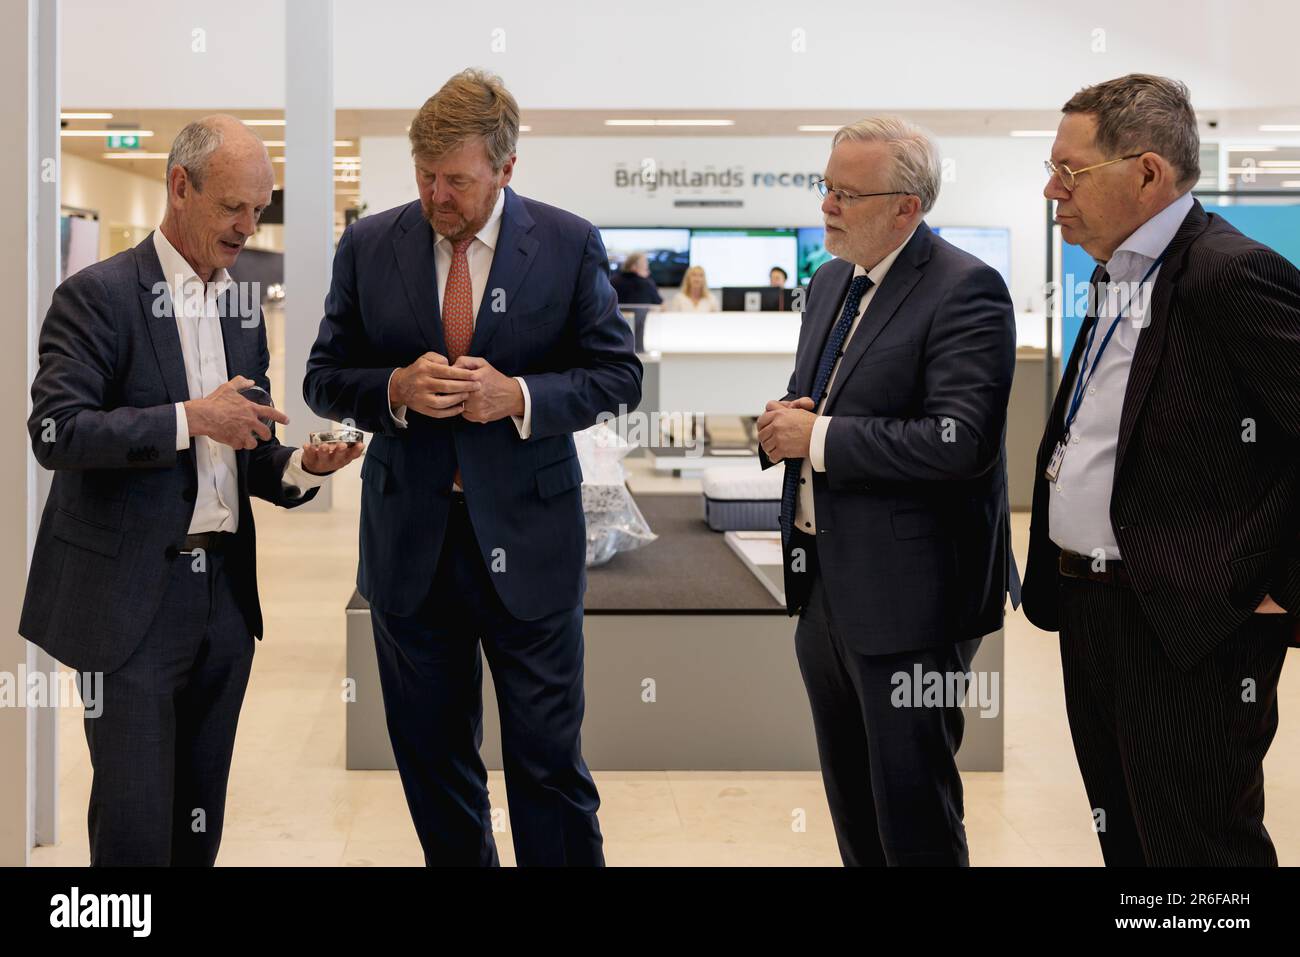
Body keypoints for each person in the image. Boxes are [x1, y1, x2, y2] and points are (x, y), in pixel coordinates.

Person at [303, 69, 642, 867]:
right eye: (424, 175)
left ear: (506, 167)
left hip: (530, 540)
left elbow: (617, 376)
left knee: (547, 763)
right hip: (410, 546)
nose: (436, 195)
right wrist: (392, 386)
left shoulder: (565, 242)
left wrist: (519, 395)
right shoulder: (368, 243)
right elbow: (324, 374)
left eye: (455, 179)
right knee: (432, 761)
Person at [20, 116, 362, 866]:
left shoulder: (241, 311)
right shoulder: (97, 297)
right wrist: (190, 418)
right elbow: (57, 433)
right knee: (137, 832)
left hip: (223, 608)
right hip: (130, 603)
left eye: (260, 210)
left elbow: (250, 450)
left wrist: (303, 465)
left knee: (197, 825)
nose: (249, 227)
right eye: (234, 207)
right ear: (180, 187)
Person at [1022, 73, 1300, 866]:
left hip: (1188, 624)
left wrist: (1274, 588)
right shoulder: (1120, 272)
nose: (1052, 190)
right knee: (1129, 838)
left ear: (1146, 173)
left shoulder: (1228, 272)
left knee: (1200, 850)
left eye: (1069, 172)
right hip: (1094, 607)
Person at [756, 116, 1018, 866]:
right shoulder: (833, 278)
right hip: (825, 585)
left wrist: (823, 438)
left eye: (847, 193)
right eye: (825, 187)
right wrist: (787, 419)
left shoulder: (966, 288)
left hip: (915, 600)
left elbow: (960, 442)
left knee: (914, 811)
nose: (827, 206)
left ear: (907, 206)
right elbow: (822, 398)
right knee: (855, 807)